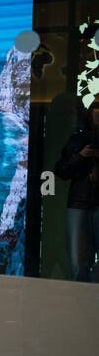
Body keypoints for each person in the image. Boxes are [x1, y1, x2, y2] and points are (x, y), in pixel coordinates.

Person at [54, 102, 99, 282]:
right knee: (78, 260)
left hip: (83, 203)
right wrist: (81, 156)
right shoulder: (77, 140)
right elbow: (62, 171)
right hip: (79, 202)